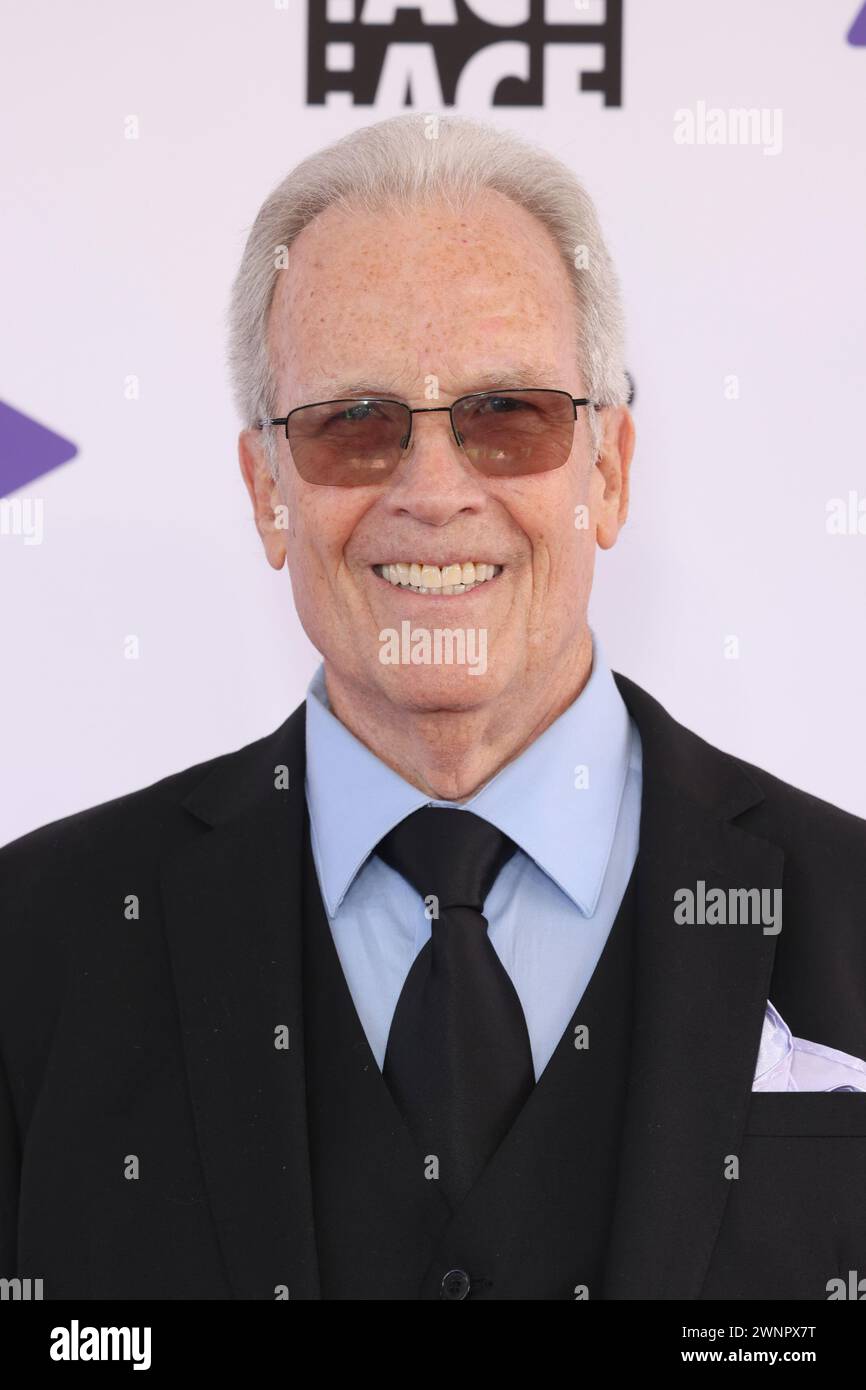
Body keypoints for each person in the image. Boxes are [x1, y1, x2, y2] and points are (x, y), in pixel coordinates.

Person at [1, 115, 865, 1302]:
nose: (433, 491)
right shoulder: (35, 945)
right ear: (266, 492)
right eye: (353, 424)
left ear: (608, 470)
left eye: (506, 414)